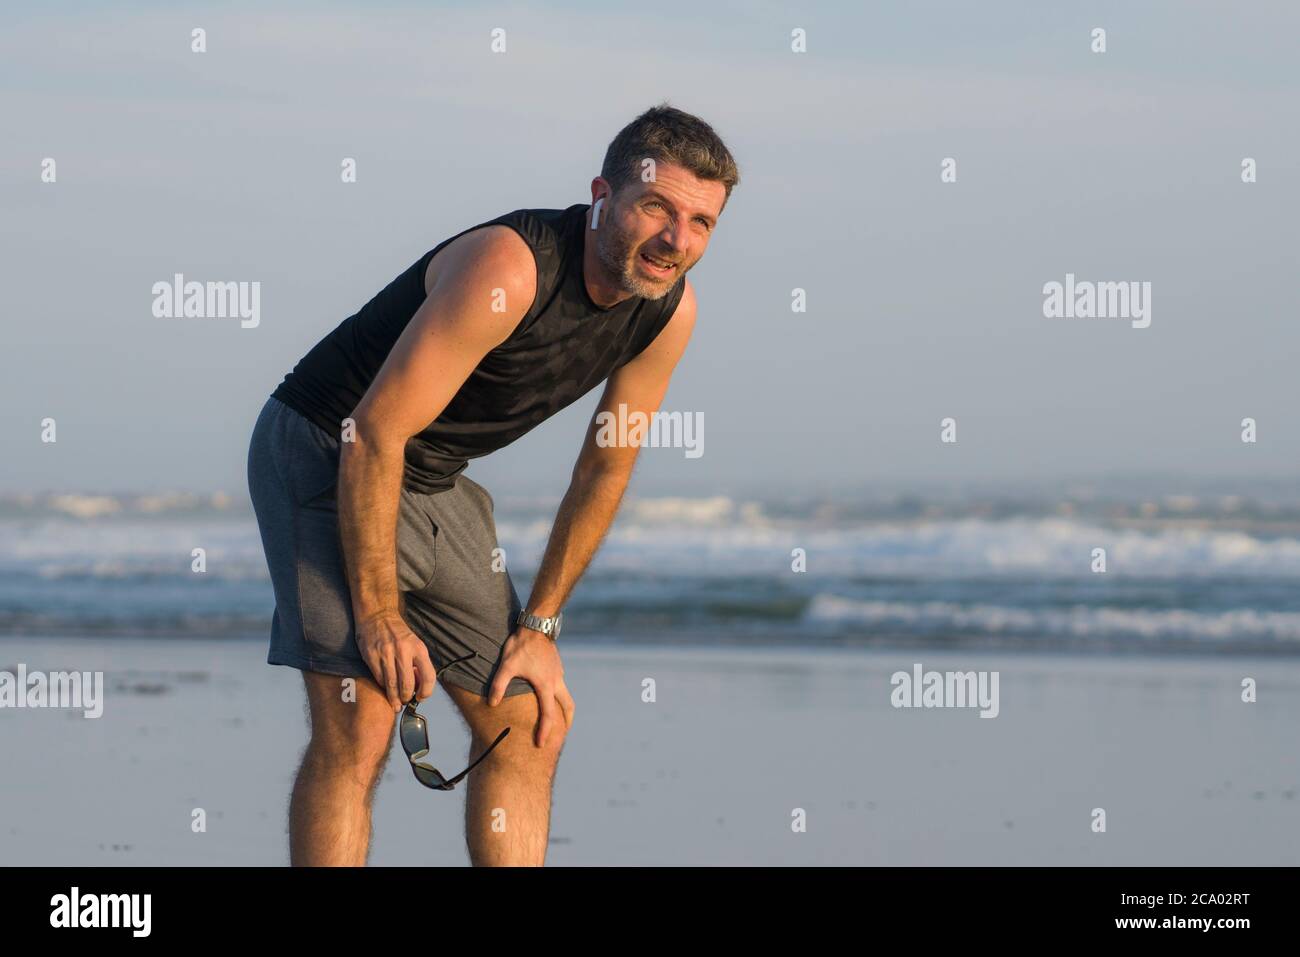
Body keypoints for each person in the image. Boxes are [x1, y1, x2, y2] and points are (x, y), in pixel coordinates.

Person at [245, 103, 739, 865]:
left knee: (529, 719)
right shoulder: (511, 267)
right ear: (603, 195)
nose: (677, 240)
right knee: (361, 721)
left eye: (702, 222)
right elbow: (373, 433)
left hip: (436, 479)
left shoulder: (666, 312)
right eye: (657, 208)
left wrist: (539, 629)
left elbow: (605, 464)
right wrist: (377, 614)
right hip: (326, 445)